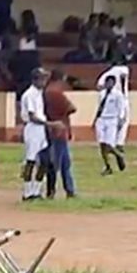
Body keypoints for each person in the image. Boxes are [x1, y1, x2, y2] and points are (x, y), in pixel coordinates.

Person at [42, 69, 78, 199]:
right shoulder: (55, 93)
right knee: (60, 163)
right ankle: (60, 190)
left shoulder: (46, 92)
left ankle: (68, 190)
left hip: (53, 130)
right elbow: (71, 108)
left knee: (62, 162)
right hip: (59, 130)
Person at [19, 67, 49, 201]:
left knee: (43, 161)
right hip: (33, 128)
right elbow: (32, 116)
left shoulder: (39, 93)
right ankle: (27, 192)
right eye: (42, 79)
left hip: (41, 129)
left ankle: (36, 190)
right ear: (35, 79)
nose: (44, 81)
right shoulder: (29, 94)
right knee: (30, 160)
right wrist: (49, 124)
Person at [95, 64, 130, 174]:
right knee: (101, 144)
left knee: (109, 144)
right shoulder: (102, 94)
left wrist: (121, 119)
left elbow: (121, 108)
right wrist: (95, 119)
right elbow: (100, 107)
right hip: (102, 119)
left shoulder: (118, 95)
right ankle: (107, 166)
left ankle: (119, 155)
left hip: (112, 120)